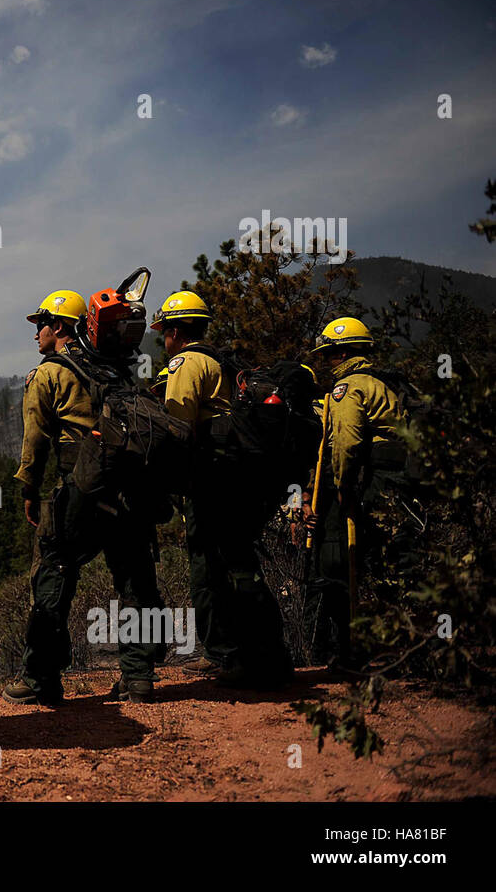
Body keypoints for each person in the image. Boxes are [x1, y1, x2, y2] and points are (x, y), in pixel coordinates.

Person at [2, 285, 166, 705]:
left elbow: (35, 440)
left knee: (55, 573)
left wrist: (29, 489)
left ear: (58, 326)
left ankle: (41, 678)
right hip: (129, 487)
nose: (35, 332)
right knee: (133, 577)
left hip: (78, 487)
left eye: (40, 323)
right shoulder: (117, 369)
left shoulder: (49, 373)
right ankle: (139, 675)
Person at [152, 291, 293, 688]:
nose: (163, 339)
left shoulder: (186, 363)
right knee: (241, 563)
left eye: (164, 332)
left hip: (210, 478)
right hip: (239, 476)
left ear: (176, 331)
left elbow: (176, 425)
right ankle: (268, 654)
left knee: (207, 565)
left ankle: (224, 654)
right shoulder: (223, 363)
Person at [306, 317, 409, 670]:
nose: (327, 362)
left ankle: (351, 651)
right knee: (391, 559)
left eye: (330, 355)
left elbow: (346, 443)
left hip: (368, 477)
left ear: (343, 353)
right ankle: (400, 648)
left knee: (339, 561)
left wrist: (344, 488)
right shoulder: (387, 384)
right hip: (399, 476)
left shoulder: (347, 388)